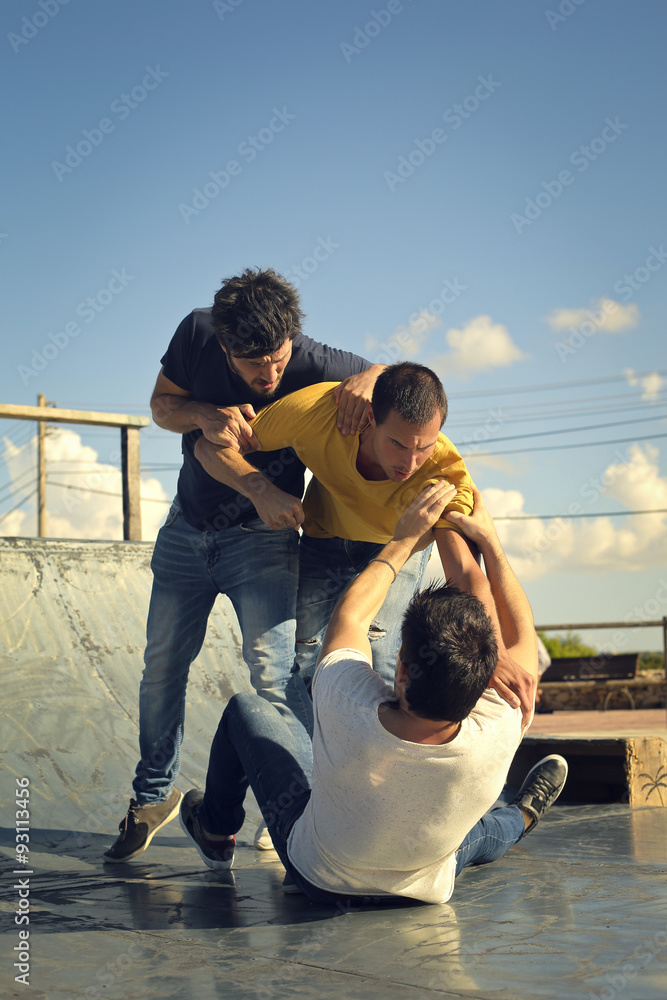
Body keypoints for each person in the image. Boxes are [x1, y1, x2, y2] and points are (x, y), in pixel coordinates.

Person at [104, 267, 384, 863]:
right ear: (225, 344)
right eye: (255, 365)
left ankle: (306, 808)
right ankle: (152, 796)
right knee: (161, 669)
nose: (270, 376)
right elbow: (161, 405)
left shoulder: (312, 359)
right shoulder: (197, 334)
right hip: (187, 530)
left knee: (277, 679)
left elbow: (397, 376)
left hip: (262, 542)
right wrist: (203, 412)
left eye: (278, 361)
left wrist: (373, 378)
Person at [179, 483, 568, 904]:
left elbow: (352, 613)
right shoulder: (504, 718)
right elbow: (519, 629)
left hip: (319, 876)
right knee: (480, 833)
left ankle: (215, 830)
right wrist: (486, 540)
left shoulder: (346, 702)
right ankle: (524, 815)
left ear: (402, 669)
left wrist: (404, 537)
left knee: (246, 709)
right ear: (487, 678)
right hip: (421, 884)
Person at [195, 362, 535, 717]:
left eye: (425, 447)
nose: (410, 462)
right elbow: (208, 447)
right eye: (398, 444)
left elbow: (464, 572)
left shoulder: (445, 474)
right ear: (370, 418)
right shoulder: (319, 413)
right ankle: (311, 763)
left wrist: (490, 648)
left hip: (399, 547)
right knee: (305, 656)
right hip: (325, 538)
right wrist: (261, 491)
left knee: (386, 662)